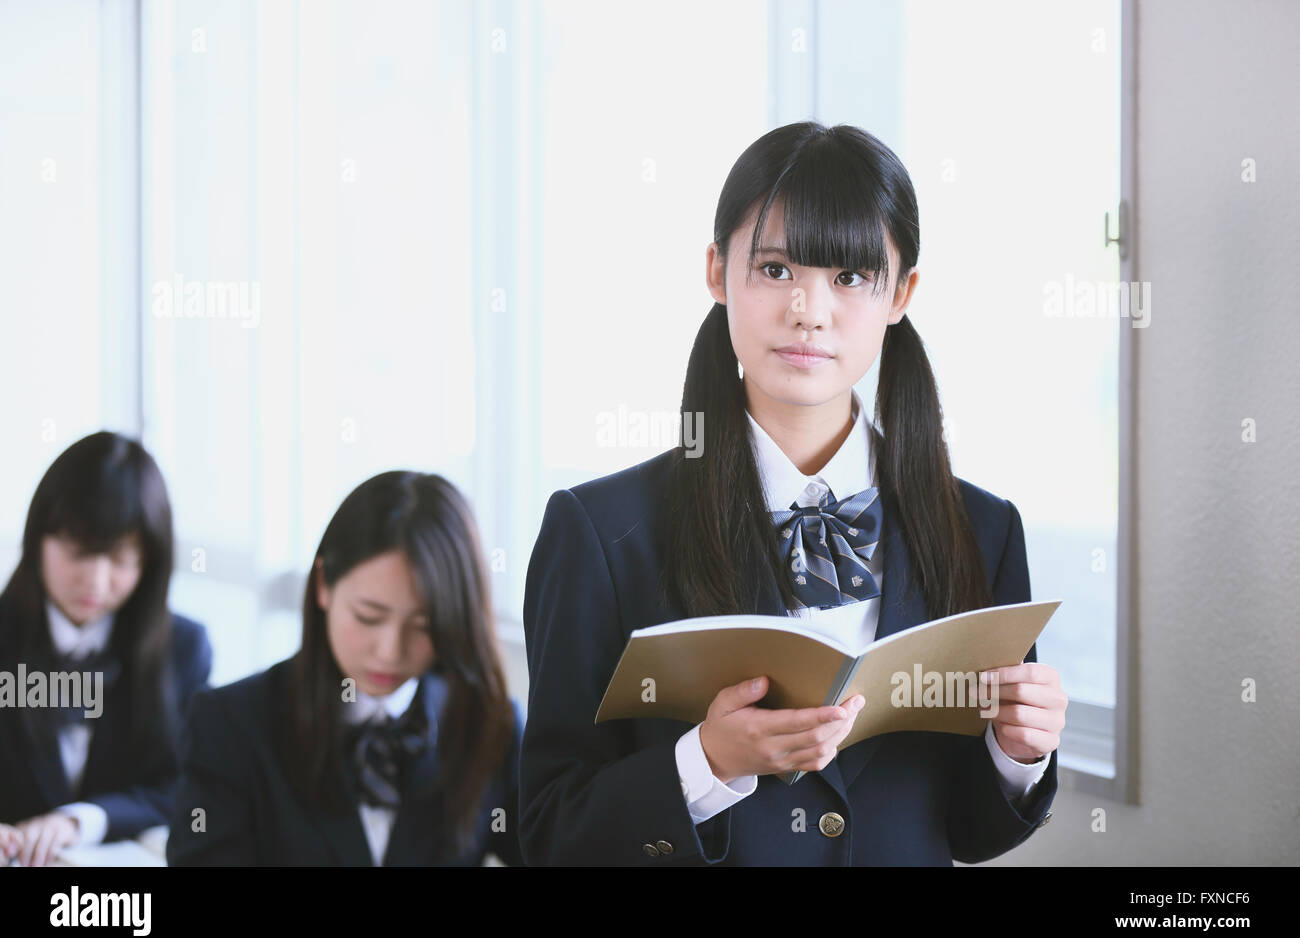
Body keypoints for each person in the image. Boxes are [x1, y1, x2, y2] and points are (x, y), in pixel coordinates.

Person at [519, 121, 1067, 865]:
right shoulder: (602, 532)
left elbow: (970, 835)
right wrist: (705, 765)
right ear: (717, 272)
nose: (810, 310)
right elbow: (549, 831)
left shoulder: (983, 528)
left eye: (850, 278)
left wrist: (1018, 753)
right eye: (776, 270)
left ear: (901, 293)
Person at [166, 471, 525, 866]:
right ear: (323, 585)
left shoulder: (491, 726)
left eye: (424, 626)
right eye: (368, 616)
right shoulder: (231, 724)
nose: (390, 652)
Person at [0, 431, 212, 866]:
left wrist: (81, 821)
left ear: (149, 561)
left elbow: (190, 786)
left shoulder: (184, 649)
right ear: (38, 538)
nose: (95, 582)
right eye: (79, 551)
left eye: (120, 558)